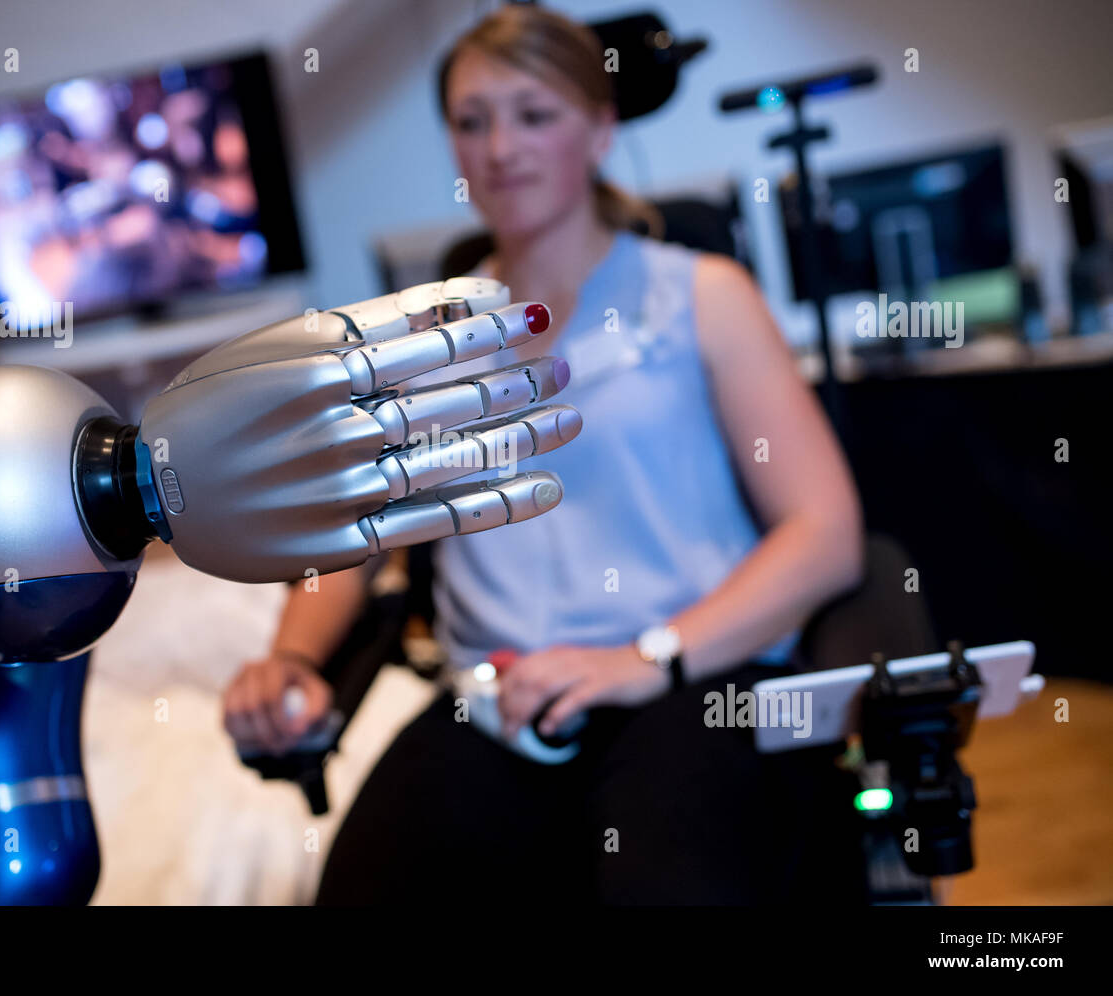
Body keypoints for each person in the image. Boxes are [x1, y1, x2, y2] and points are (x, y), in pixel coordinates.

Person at [222, 5, 867, 905]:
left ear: (600, 130)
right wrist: (290, 659)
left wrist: (650, 657)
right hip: (497, 700)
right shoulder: (428, 335)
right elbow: (362, 531)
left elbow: (825, 531)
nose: (499, 147)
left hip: (698, 675)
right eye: (471, 121)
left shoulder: (704, 297)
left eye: (534, 114)